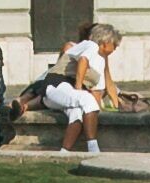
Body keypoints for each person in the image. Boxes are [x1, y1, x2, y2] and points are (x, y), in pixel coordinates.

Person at [44, 20, 118, 155]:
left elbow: (103, 83)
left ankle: (64, 152)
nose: (116, 48)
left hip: (61, 91)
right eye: (115, 44)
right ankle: (93, 148)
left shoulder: (99, 57)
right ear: (105, 42)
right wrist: (78, 87)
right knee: (87, 100)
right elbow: (83, 60)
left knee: (76, 113)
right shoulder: (91, 46)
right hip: (57, 84)